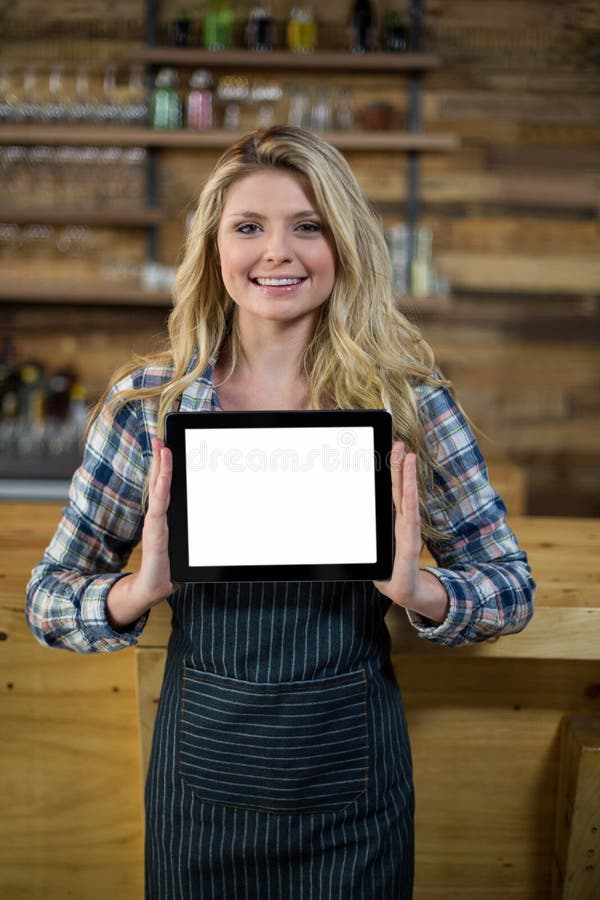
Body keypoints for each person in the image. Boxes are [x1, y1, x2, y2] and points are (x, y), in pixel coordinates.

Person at [25, 125, 535, 899]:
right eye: (248, 227)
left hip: (354, 798)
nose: (277, 252)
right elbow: (48, 599)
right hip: (200, 798)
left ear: (345, 245)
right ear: (212, 249)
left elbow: (511, 587)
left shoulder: (408, 405)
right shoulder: (149, 409)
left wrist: (420, 590)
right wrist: (137, 589)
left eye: (307, 226)